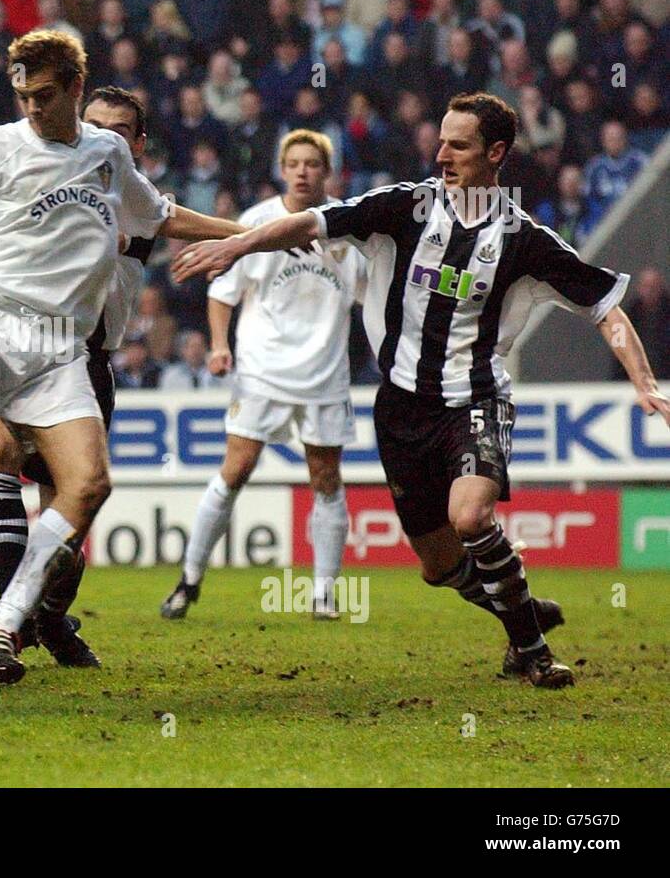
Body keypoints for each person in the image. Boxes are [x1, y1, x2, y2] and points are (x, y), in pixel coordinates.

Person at [173, 93, 670, 688]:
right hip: (402, 408)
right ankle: (521, 610)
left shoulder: (526, 240)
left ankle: (531, 652)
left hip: (476, 400)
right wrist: (239, 243)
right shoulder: (402, 208)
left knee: (471, 516)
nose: (441, 154)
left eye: (457, 145)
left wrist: (645, 382)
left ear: (496, 153)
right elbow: (311, 222)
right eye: (439, 140)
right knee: (438, 567)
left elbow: (607, 309)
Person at [0, 39, 238, 684]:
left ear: (133, 141)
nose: (32, 108)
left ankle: (45, 614)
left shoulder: (114, 174)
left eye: (45, 95)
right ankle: (3, 616)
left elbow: (166, 216)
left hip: (79, 355)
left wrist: (250, 239)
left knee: (75, 501)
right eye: (23, 96)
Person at [162, 130, 363, 621]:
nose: (301, 171)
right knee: (237, 469)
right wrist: (217, 345)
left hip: (324, 373)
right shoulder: (256, 222)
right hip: (262, 369)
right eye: (293, 162)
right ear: (281, 167)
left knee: (326, 479)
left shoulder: (347, 227)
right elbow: (222, 292)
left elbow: (370, 298)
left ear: (327, 171)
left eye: (312, 163)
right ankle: (189, 581)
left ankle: (322, 595)